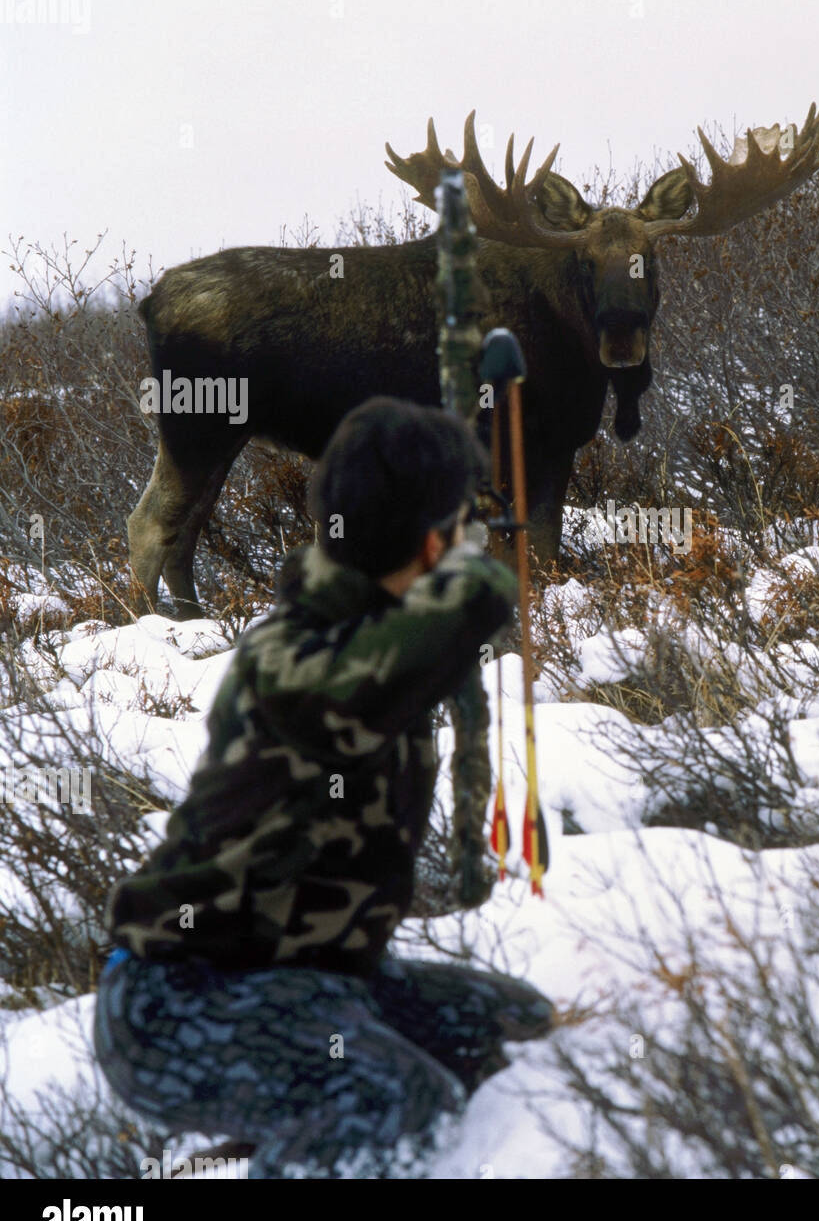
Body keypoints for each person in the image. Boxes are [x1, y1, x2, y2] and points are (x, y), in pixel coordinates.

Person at [94, 397, 555, 1178]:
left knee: (511, 1029)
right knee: (390, 1099)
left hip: (305, 982)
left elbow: (411, 650)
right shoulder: (290, 654)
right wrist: (473, 574)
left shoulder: (377, 626)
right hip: (173, 1005)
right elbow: (382, 673)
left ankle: (265, 1144)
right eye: (452, 522)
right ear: (427, 535)